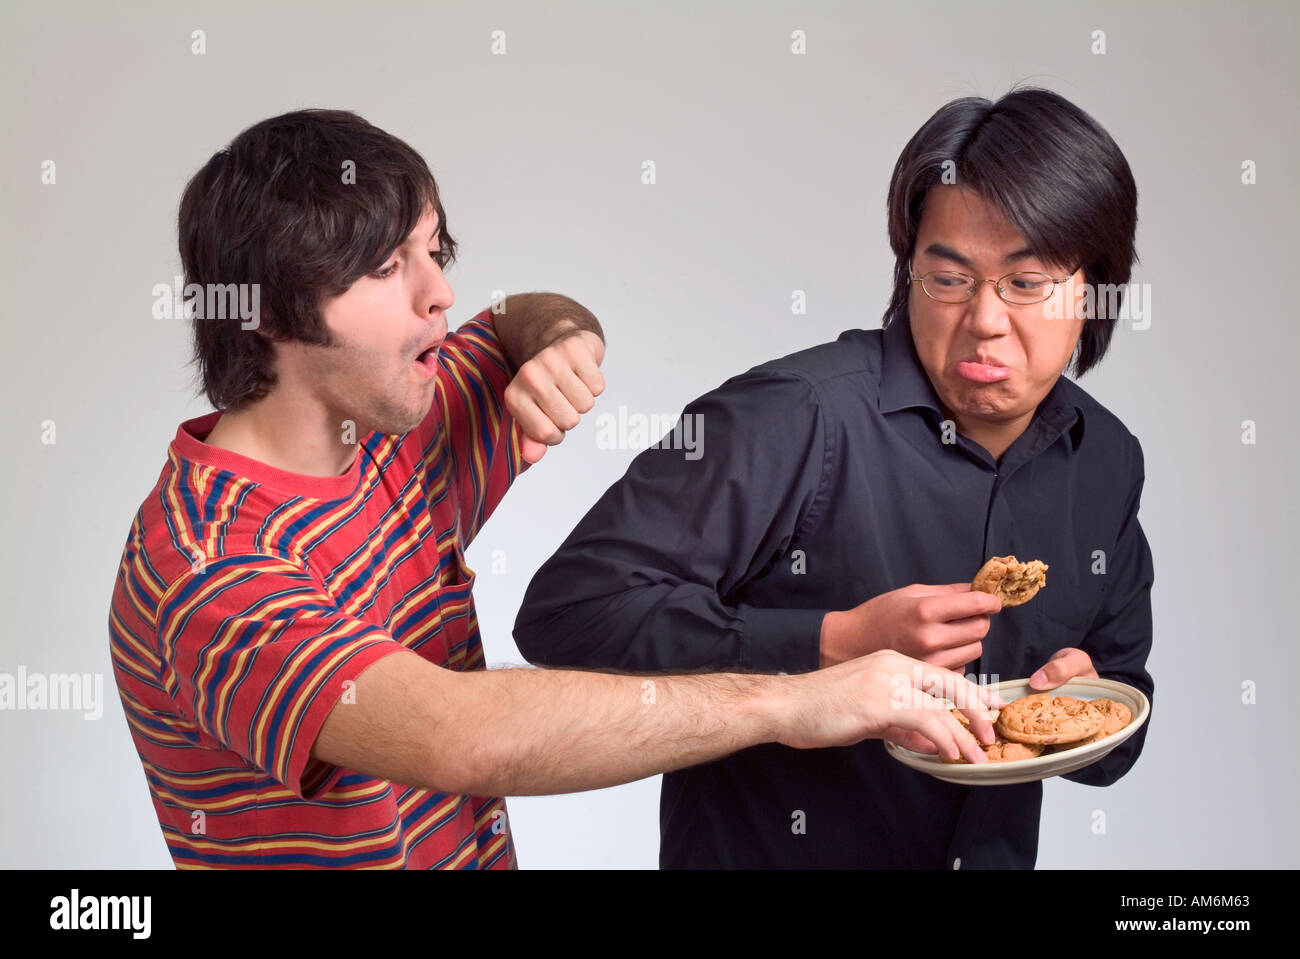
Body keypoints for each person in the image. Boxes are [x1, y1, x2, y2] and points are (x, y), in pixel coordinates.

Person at [108, 108, 1001, 870]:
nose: (439, 294)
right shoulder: (204, 562)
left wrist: (564, 336)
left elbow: (514, 316)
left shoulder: (392, 423)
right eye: (384, 269)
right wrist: (796, 697)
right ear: (261, 311)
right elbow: (460, 736)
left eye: (434, 250)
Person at [514, 87, 1155, 868]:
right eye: (948, 277)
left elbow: (1121, 727)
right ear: (909, 269)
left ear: (1094, 289)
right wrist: (830, 643)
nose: (985, 318)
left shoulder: (1107, 459)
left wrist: (1079, 697)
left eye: (1026, 283)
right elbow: (566, 612)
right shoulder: (793, 415)